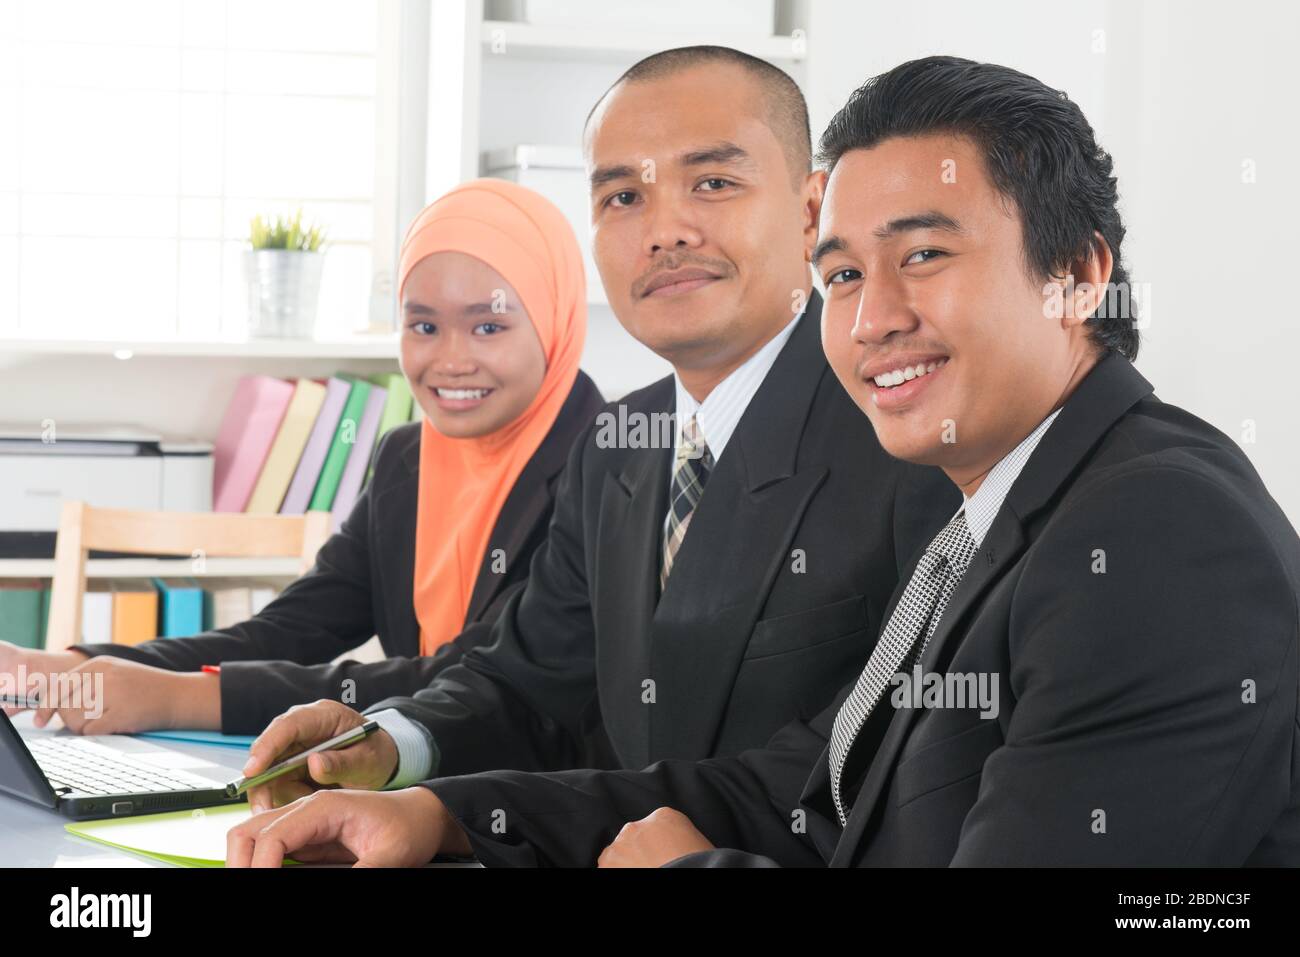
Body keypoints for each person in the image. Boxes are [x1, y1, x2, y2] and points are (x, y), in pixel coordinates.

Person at [226, 56, 1299, 868]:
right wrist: (439, 814)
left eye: (923, 255)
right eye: (841, 275)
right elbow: (803, 786)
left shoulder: (1152, 528)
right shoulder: (1000, 510)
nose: (874, 318)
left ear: (1075, 274)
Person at [225, 46, 957, 813]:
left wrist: (451, 820)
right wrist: (387, 743)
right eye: (622, 198)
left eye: (711, 182)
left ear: (814, 211)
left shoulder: (906, 429)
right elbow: (532, 682)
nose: (664, 231)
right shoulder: (618, 443)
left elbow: (870, 755)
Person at [0, 179, 604, 737]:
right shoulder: (409, 459)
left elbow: (473, 679)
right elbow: (292, 630)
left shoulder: (606, 471)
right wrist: (71, 666)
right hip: (416, 782)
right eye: (423, 326)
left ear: (554, 320)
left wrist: (181, 699)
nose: (449, 360)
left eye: (488, 328)